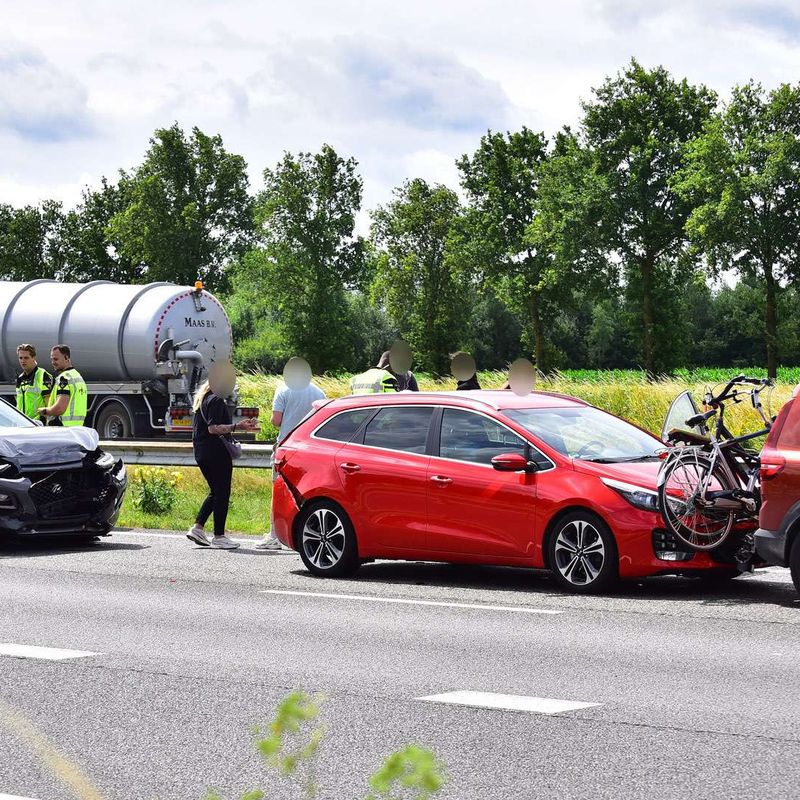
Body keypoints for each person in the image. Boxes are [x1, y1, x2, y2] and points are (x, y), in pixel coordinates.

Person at [257, 364, 326, 551]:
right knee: (306, 492)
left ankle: (274, 535)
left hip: (288, 446)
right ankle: (305, 533)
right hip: (311, 448)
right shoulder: (319, 392)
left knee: (279, 491)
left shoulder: (283, 390)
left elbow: (276, 420)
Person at [187, 375, 259, 550]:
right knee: (223, 492)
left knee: (216, 491)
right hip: (216, 452)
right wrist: (237, 427)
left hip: (202, 451)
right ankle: (219, 536)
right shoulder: (217, 400)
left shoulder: (203, 399)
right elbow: (213, 428)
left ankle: (198, 528)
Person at [37, 345, 87, 427]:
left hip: (63, 428)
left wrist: (45, 411)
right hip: (76, 427)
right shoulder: (77, 376)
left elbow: (60, 408)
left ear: (66, 358)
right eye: (52, 359)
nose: (53, 362)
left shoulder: (64, 378)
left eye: (56, 359)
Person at [15, 344, 53, 422]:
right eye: (20, 358)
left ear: (33, 358)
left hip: (38, 424)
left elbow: (49, 405)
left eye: (26, 358)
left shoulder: (43, 375)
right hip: (22, 423)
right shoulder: (20, 378)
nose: (23, 361)